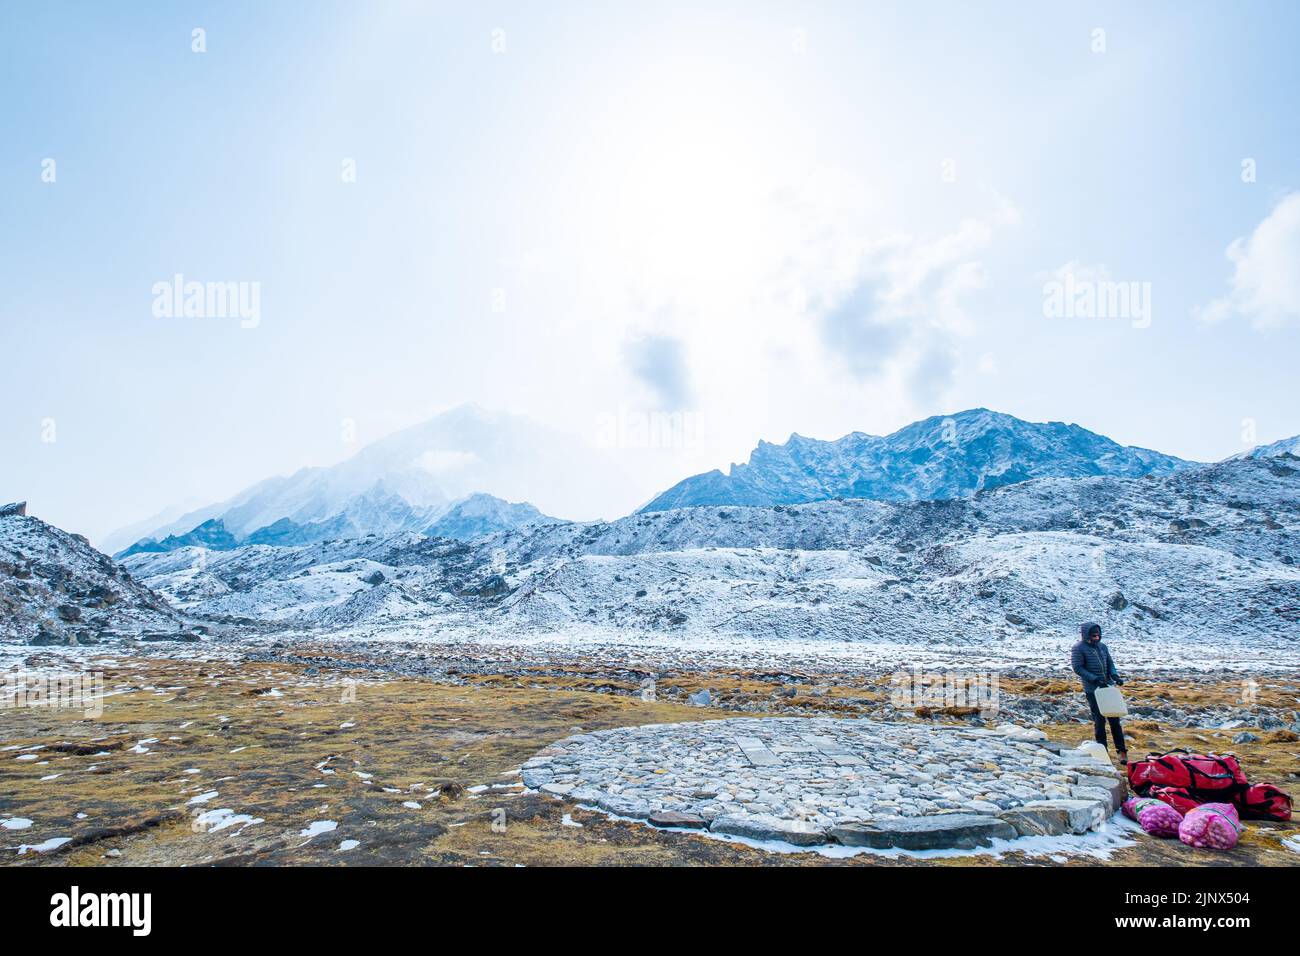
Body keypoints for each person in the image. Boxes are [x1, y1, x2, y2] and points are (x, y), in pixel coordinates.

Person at [1070, 621, 1127, 764]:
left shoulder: (1103, 647)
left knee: (1115, 720)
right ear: (1086, 635)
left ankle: (1122, 752)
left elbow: (1110, 663)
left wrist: (1115, 676)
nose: (1096, 638)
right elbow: (1078, 668)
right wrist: (1094, 679)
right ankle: (1103, 753)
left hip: (1108, 688)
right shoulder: (1078, 648)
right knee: (1099, 721)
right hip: (1093, 690)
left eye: (1098, 635)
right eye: (1093, 635)